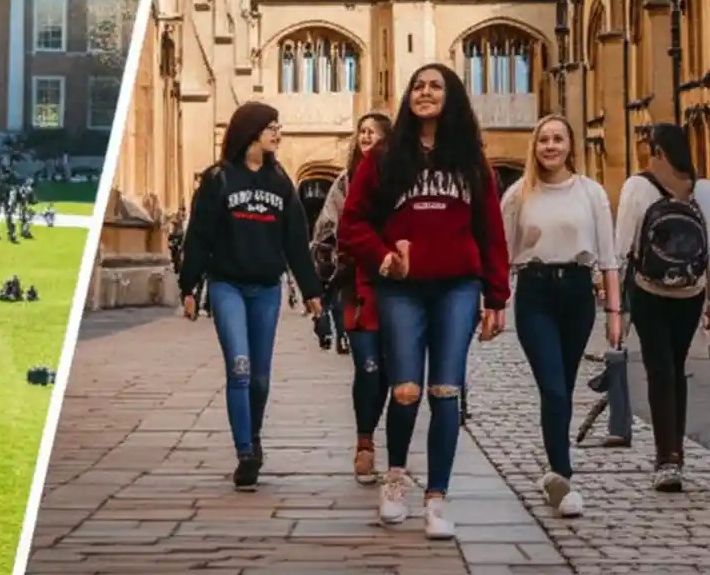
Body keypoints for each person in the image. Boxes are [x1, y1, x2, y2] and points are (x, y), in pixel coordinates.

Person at [338, 63, 509, 540]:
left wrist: (496, 296)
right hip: (402, 288)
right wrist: (383, 257)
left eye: (435, 86)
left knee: (446, 390)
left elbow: (491, 231)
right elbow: (352, 223)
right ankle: (395, 478)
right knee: (406, 389)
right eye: (418, 86)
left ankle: (437, 497)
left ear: (451, 96)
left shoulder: (471, 160)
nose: (426, 92)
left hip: (458, 287)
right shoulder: (386, 157)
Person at [177, 101, 324, 492]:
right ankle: (245, 453)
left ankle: (254, 436)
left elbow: (296, 241)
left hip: (266, 289)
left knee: (259, 377)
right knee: (239, 368)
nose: (278, 134)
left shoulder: (281, 183)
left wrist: (312, 291)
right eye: (271, 127)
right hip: (227, 285)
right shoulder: (219, 179)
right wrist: (189, 286)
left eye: (279, 127)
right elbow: (199, 236)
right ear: (251, 131)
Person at [500, 114, 620, 518]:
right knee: (552, 388)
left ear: (570, 145)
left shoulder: (591, 193)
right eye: (543, 140)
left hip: (577, 292)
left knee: (563, 388)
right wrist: (492, 305)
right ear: (534, 146)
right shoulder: (518, 195)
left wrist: (614, 313)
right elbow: (501, 255)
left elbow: (608, 258)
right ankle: (562, 476)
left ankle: (554, 467)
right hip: (534, 292)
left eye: (557, 139)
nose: (550, 146)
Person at [614, 123, 710, 492]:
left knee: (659, 369)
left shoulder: (636, 186)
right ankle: (675, 452)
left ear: (657, 151)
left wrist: (616, 307)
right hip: (691, 292)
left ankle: (667, 459)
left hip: (650, 291)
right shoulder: (702, 188)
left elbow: (622, 248)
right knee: (675, 367)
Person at [311, 111, 393, 485]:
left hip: (396, 287)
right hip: (357, 287)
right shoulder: (345, 182)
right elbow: (324, 233)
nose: (366, 137)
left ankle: (378, 438)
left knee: (390, 371)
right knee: (368, 366)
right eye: (362, 132)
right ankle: (364, 443)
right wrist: (336, 262)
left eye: (373, 132)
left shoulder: (401, 177)